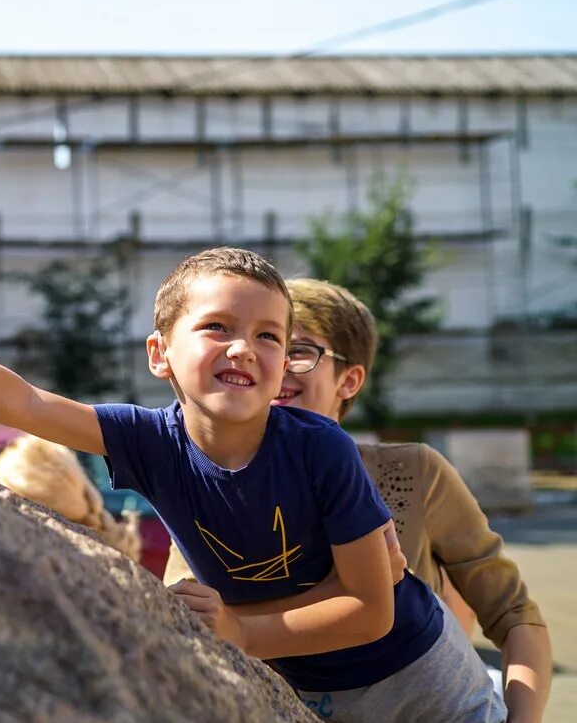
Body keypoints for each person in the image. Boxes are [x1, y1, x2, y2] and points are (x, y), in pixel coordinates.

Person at [0, 247, 503, 722]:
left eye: (268, 336)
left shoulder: (319, 449)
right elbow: (26, 402)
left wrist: (239, 631)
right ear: (159, 353)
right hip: (308, 693)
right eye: (218, 326)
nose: (244, 346)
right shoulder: (151, 441)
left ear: (281, 371)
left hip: (424, 685)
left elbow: (372, 607)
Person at [164, 277, 550, 721]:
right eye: (268, 341)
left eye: (299, 350)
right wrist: (347, 593)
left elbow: (516, 616)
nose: (272, 360)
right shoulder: (207, 481)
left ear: (349, 380)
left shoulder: (414, 472)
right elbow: (188, 619)